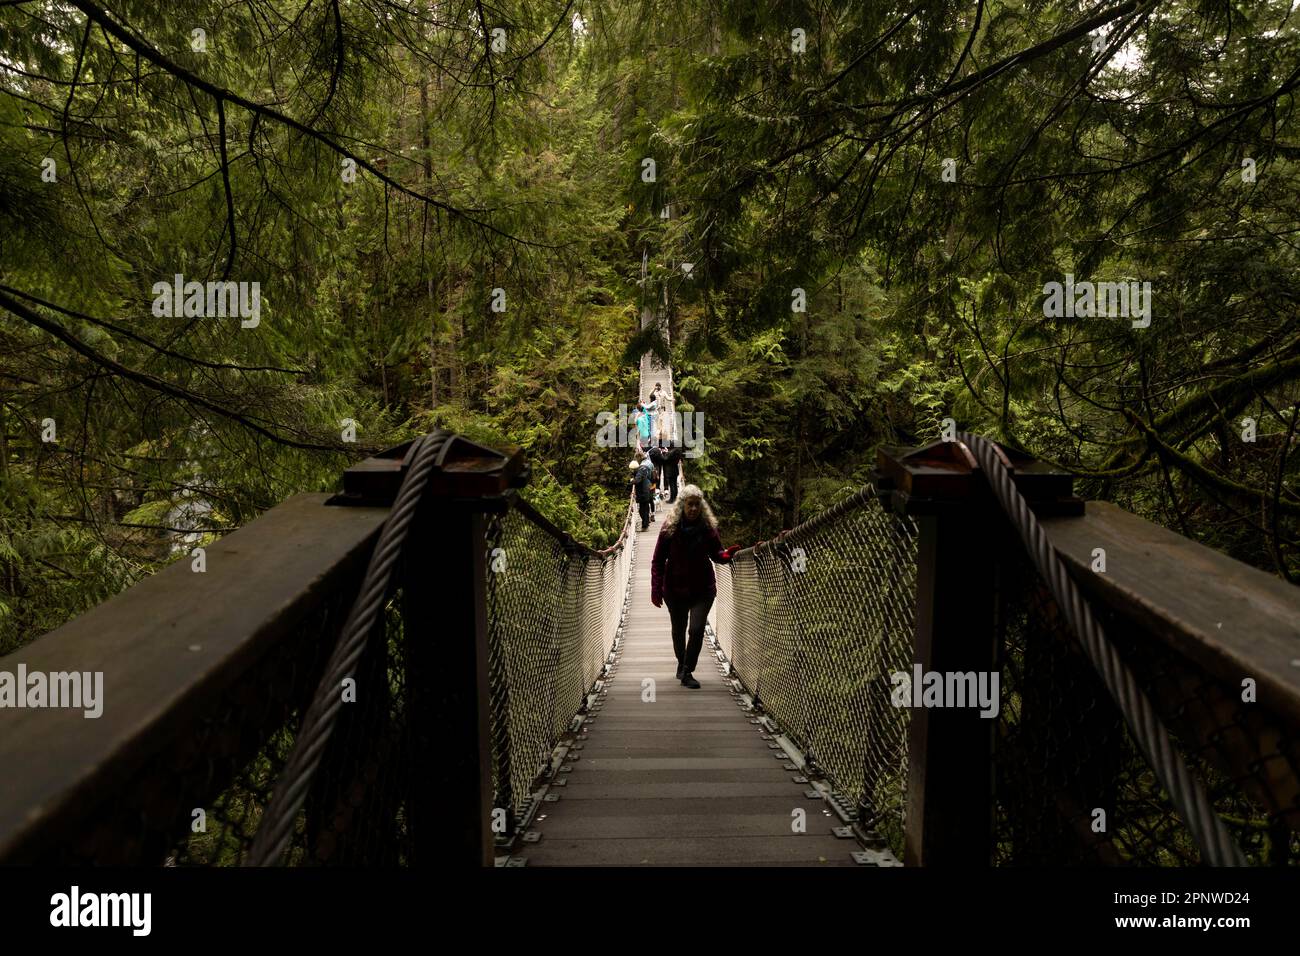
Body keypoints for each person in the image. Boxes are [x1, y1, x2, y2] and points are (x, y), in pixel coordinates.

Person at [650, 486, 739, 688]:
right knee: (678, 631)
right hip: (675, 588)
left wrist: (727, 555)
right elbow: (657, 561)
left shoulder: (708, 529)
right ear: (682, 506)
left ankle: (688, 671)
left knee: (697, 629)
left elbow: (717, 554)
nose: (693, 509)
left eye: (697, 505)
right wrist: (656, 589)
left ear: (701, 506)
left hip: (702, 589)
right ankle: (682, 664)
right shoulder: (668, 529)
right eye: (689, 504)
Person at [628, 458, 655, 530]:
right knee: (644, 509)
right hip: (646, 491)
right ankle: (645, 524)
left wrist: (631, 481)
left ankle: (645, 526)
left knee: (643, 510)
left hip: (644, 493)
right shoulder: (642, 470)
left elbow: (637, 481)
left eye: (631, 469)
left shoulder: (639, 472)